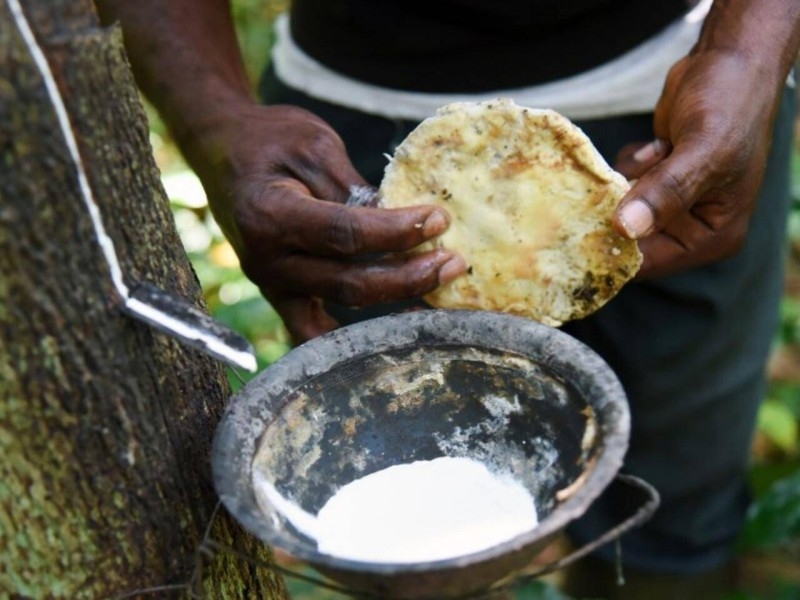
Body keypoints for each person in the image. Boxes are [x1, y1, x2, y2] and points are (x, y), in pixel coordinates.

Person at [96, 0, 799, 597]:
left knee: (675, 527)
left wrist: (751, 50)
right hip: (345, 161)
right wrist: (214, 117)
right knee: (401, 542)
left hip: (686, 111)